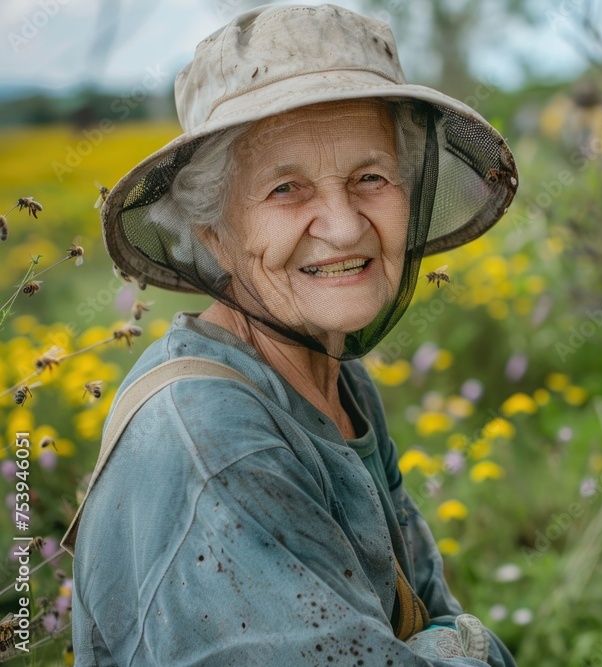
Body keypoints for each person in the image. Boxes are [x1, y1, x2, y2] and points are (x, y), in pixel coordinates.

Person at [60, 4, 518, 665]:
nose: (342, 225)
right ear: (214, 229)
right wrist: (473, 646)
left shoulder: (335, 375)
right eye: (285, 188)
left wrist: (443, 641)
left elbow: (423, 607)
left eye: (370, 177)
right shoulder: (216, 446)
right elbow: (443, 634)